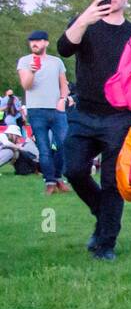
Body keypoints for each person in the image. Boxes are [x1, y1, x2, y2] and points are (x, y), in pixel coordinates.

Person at [56, 0, 131, 260]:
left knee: (112, 182)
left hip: (119, 118)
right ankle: (99, 210)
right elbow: (64, 48)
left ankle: (105, 243)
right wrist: (84, 18)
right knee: (74, 169)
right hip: (83, 113)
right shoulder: (84, 25)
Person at [16, 30, 71, 195]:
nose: (35, 44)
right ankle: (50, 182)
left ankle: (58, 177)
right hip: (36, 110)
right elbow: (26, 86)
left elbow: (64, 84)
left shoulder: (56, 62)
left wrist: (62, 99)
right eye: (32, 41)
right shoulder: (25, 62)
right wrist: (32, 71)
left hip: (57, 110)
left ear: (46, 43)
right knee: (44, 149)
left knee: (63, 144)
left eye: (39, 41)